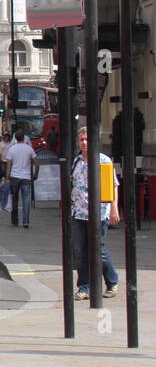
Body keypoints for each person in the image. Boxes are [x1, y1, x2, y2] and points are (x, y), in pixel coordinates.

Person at [71, 128, 121, 300]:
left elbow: (113, 186)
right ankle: (84, 287)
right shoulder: (76, 161)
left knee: (98, 250)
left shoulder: (103, 161)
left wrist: (114, 209)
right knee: (80, 252)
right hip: (79, 213)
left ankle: (112, 281)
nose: (84, 143)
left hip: (98, 213)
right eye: (81, 140)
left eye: (86, 139)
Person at [2, 129, 38, 228]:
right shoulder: (29, 149)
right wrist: (35, 174)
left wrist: (7, 177)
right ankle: (26, 221)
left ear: (15, 138)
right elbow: (37, 163)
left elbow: (8, 165)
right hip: (26, 177)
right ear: (24, 137)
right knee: (26, 200)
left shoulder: (12, 149)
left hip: (14, 176)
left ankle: (15, 221)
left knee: (15, 199)